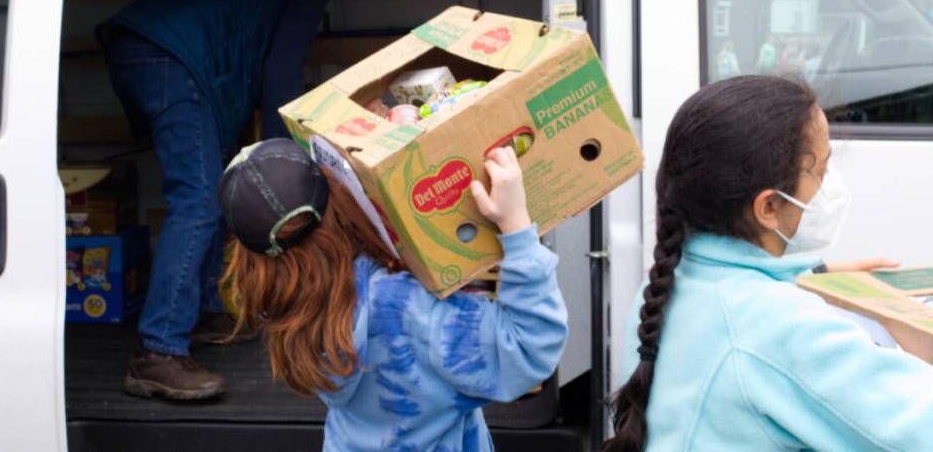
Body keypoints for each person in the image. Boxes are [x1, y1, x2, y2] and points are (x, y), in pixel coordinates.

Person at [97, 0, 358, 401]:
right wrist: (288, 160)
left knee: (212, 190)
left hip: (147, 54)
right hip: (174, 61)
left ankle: (199, 312)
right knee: (200, 200)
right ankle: (157, 351)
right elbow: (281, 70)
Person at [604, 76, 933, 451]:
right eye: (821, 173)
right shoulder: (780, 329)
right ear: (769, 207)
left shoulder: (668, 288)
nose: (830, 188)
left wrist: (811, 277)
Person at [218, 139, 568, 451]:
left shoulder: (292, 310)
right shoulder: (407, 310)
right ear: (340, 200)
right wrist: (517, 228)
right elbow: (528, 348)